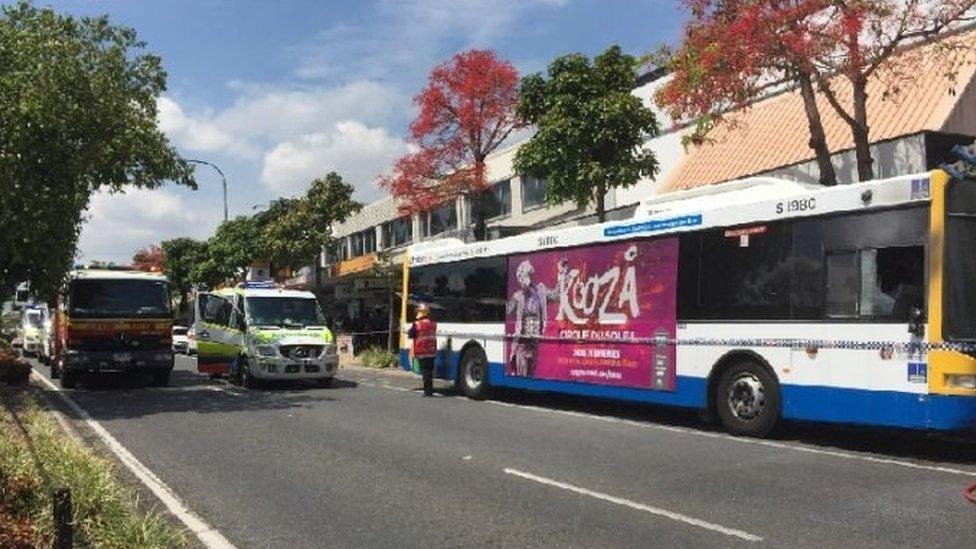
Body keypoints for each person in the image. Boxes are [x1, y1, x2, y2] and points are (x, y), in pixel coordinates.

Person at [407, 303, 438, 396]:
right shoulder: (433, 324)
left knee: (425, 372)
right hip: (431, 351)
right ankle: (430, 390)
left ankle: (427, 392)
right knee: (429, 372)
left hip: (422, 351)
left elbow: (411, 335)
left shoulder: (417, 324)